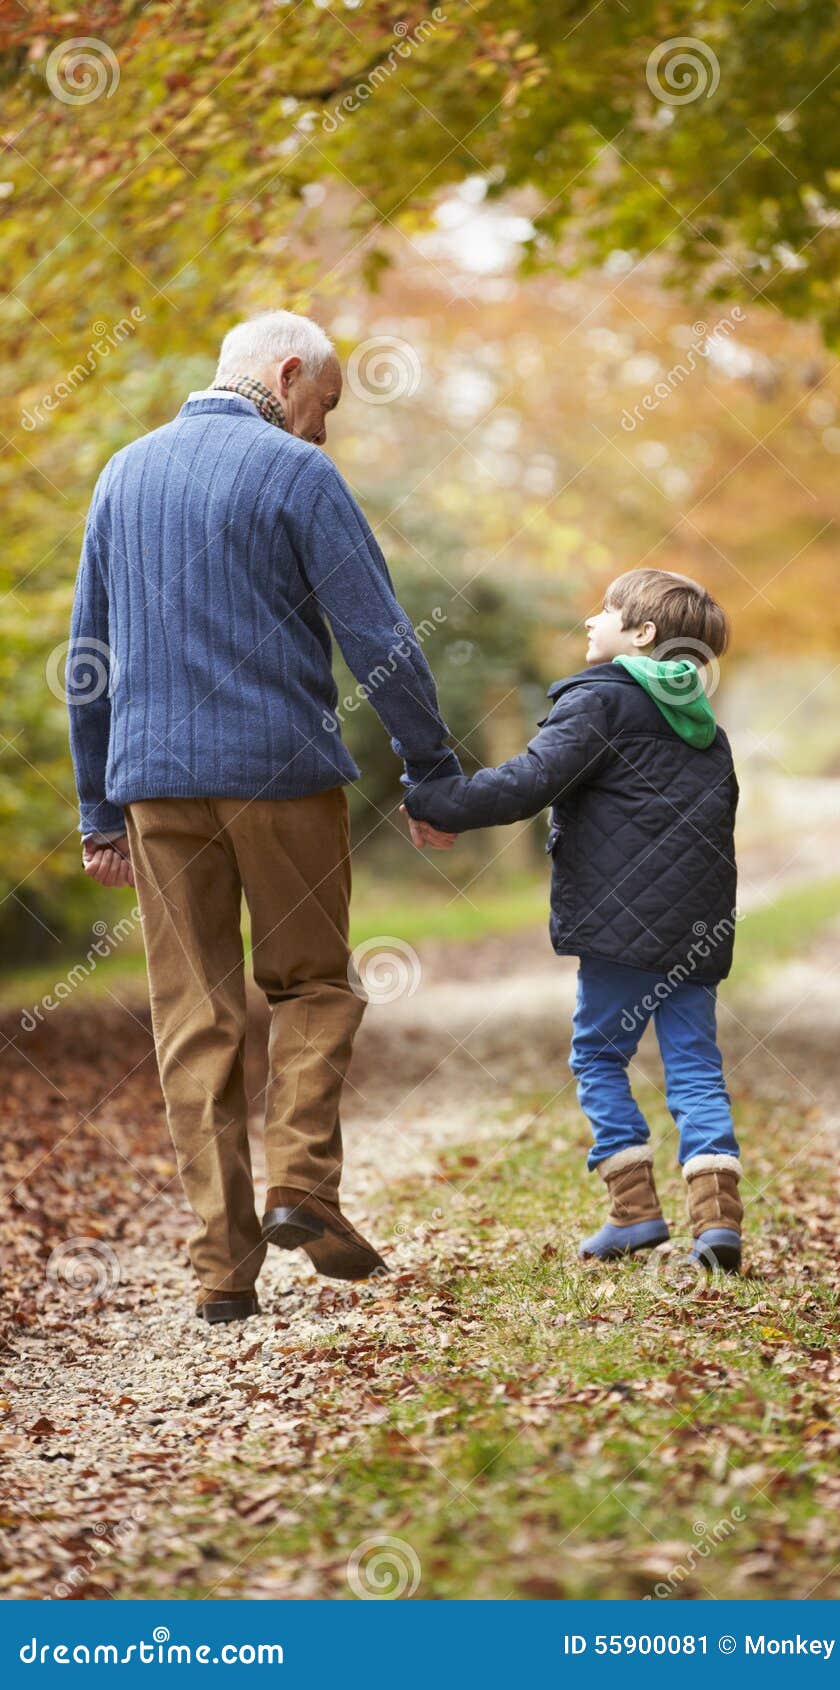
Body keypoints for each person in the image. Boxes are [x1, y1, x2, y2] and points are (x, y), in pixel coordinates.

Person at [68, 310, 456, 1324]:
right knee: (314, 983)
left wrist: (96, 805)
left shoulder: (123, 474)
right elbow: (380, 638)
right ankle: (300, 1183)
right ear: (287, 374)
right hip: (279, 775)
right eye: (321, 404)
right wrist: (431, 768)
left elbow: (87, 657)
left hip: (153, 783)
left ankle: (220, 1274)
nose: (319, 429)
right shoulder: (297, 477)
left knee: (191, 1017)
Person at [404, 567, 743, 1271]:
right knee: (694, 1066)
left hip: (621, 925)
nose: (592, 620)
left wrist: (438, 801)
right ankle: (716, 1225)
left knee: (597, 1055)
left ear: (641, 634)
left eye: (607, 610)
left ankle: (633, 1213)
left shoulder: (599, 702)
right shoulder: (705, 728)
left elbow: (529, 783)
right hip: (695, 925)